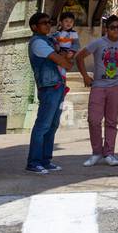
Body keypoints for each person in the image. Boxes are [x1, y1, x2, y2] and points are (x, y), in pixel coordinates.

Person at [74, 15, 118, 166]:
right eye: (113, 27)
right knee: (94, 120)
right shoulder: (98, 43)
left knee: (111, 122)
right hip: (98, 86)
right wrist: (85, 76)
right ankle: (96, 152)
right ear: (106, 29)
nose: (116, 30)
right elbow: (79, 57)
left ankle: (109, 153)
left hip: (116, 86)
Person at [25, 12, 75, 175]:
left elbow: (64, 55)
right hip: (48, 87)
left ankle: (45, 160)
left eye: (49, 22)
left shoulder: (49, 40)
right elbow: (58, 59)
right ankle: (34, 162)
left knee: (52, 125)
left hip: (58, 85)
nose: (48, 25)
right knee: (43, 125)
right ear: (34, 27)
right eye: (44, 23)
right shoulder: (37, 43)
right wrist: (66, 62)